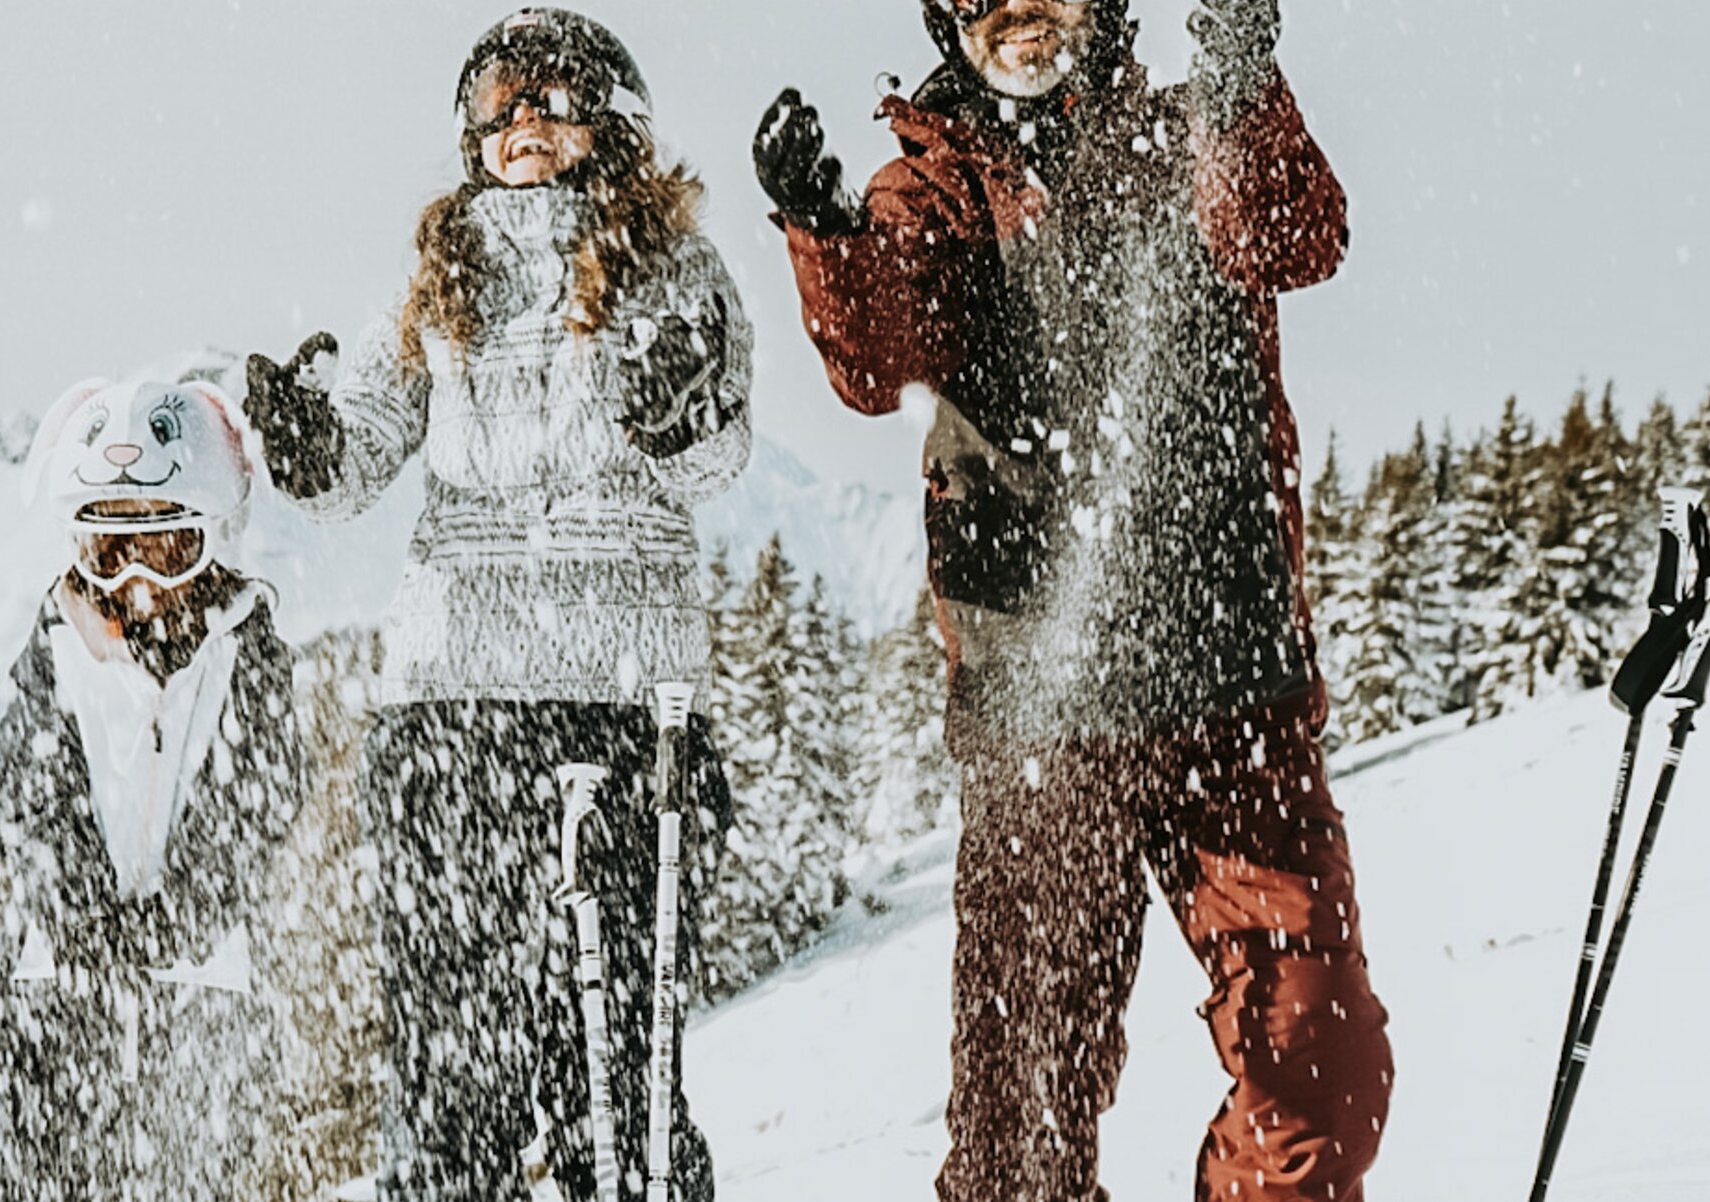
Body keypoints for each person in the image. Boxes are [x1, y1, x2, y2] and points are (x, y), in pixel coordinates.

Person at [748, 0, 1391, 1198]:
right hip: (1036, 727)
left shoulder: (1185, 133)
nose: (1019, 12)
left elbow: (1290, 231)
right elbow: (882, 350)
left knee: (1315, 1064)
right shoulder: (926, 192)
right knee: (1015, 1138)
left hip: (1229, 694)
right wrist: (824, 231)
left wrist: (1243, 80)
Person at [239, 10, 749, 1199]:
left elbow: (715, 457)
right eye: (496, 99)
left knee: (619, 1069)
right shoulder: (441, 273)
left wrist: (681, 408)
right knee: (449, 1052)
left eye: (553, 95)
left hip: (620, 700)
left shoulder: (672, 265)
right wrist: (311, 441)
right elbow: (361, 442)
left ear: (612, 124)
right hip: (455, 697)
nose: (522, 120)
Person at [0, 364, 304, 1201]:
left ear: (211, 542)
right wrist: (78, 912)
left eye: (164, 549)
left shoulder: (246, 655)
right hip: (56, 987)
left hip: (206, 988)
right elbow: (22, 791)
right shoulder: (54, 652)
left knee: (197, 1170)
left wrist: (185, 916)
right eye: (111, 550)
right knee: (52, 1175)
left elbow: (260, 796)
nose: (136, 582)